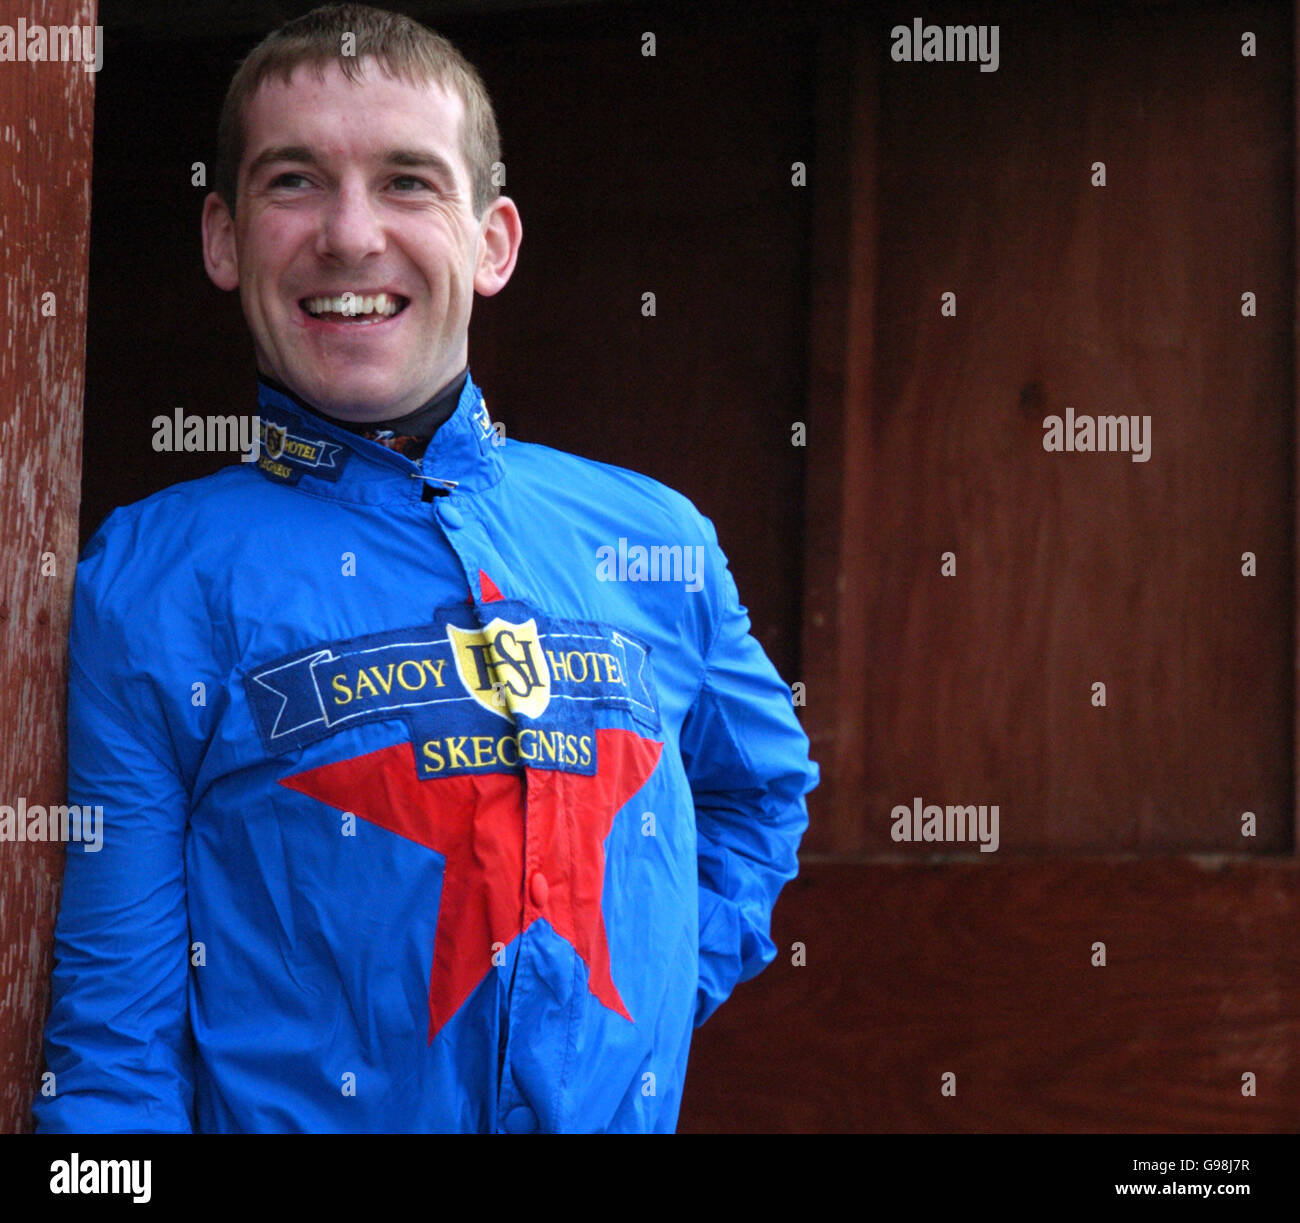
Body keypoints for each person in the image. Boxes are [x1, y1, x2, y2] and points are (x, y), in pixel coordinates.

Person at [34, 3, 817, 1134]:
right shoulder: (151, 576)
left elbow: (762, 790)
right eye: (294, 181)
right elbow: (114, 1036)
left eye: (408, 181)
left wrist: (630, 997)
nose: (351, 236)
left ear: (491, 240)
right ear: (223, 237)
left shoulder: (655, 539)